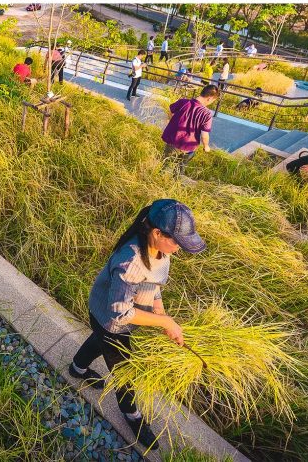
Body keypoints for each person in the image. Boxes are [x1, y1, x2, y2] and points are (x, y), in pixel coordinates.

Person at [68, 199, 205, 451]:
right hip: (112, 321)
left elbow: (152, 285)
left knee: (100, 341)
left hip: (109, 321)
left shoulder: (161, 251)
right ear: (157, 232)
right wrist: (165, 321)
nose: (179, 248)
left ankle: (77, 368)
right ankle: (132, 416)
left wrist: (159, 309)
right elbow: (120, 313)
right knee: (124, 373)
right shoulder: (131, 260)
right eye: (177, 241)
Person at [161, 84, 219, 165]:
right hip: (188, 146)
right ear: (209, 98)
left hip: (173, 139)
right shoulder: (207, 114)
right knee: (180, 167)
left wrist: (172, 120)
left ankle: (162, 174)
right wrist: (206, 146)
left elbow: (170, 111)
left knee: (165, 163)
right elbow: (204, 135)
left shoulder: (183, 102)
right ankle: (176, 176)